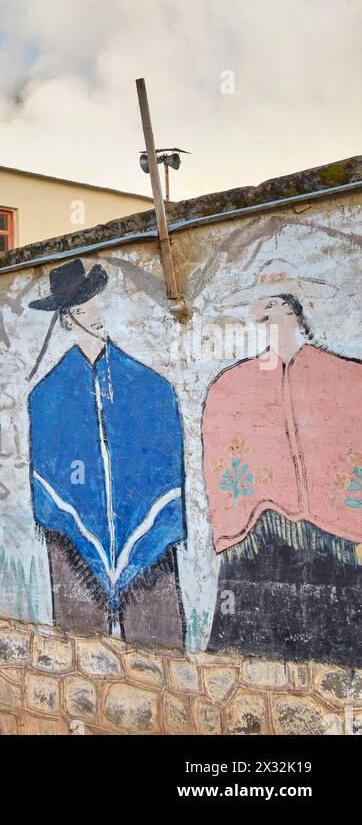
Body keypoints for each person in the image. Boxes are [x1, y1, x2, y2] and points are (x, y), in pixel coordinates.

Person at [203, 260, 362, 663]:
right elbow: (222, 464)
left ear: (292, 309)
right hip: (261, 532)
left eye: (271, 304)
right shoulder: (232, 385)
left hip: (332, 533)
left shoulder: (345, 377)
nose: (262, 313)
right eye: (261, 305)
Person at [28, 260, 186, 647]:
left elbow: (164, 462)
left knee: (157, 634)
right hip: (72, 541)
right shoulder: (48, 395)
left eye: (94, 303)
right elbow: (50, 474)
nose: (94, 316)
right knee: (79, 636)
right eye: (81, 309)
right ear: (66, 321)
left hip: (148, 538)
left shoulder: (150, 386)